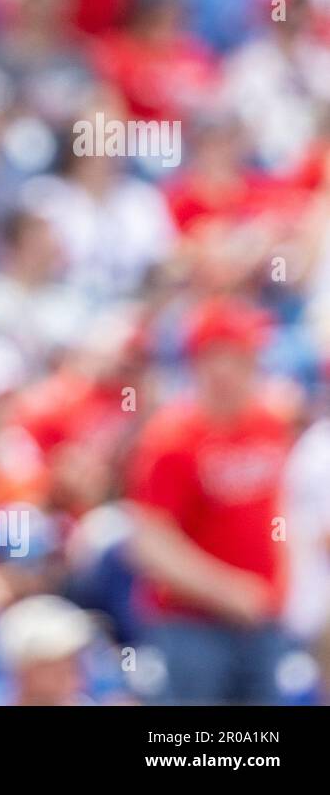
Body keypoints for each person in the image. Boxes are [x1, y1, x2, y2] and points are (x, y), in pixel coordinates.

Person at [125, 296, 294, 703]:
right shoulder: (172, 438)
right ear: (204, 362)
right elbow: (149, 544)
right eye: (231, 355)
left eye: (248, 355)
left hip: (261, 622)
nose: (243, 366)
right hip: (192, 627)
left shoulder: (268, 421)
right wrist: (229, 591)